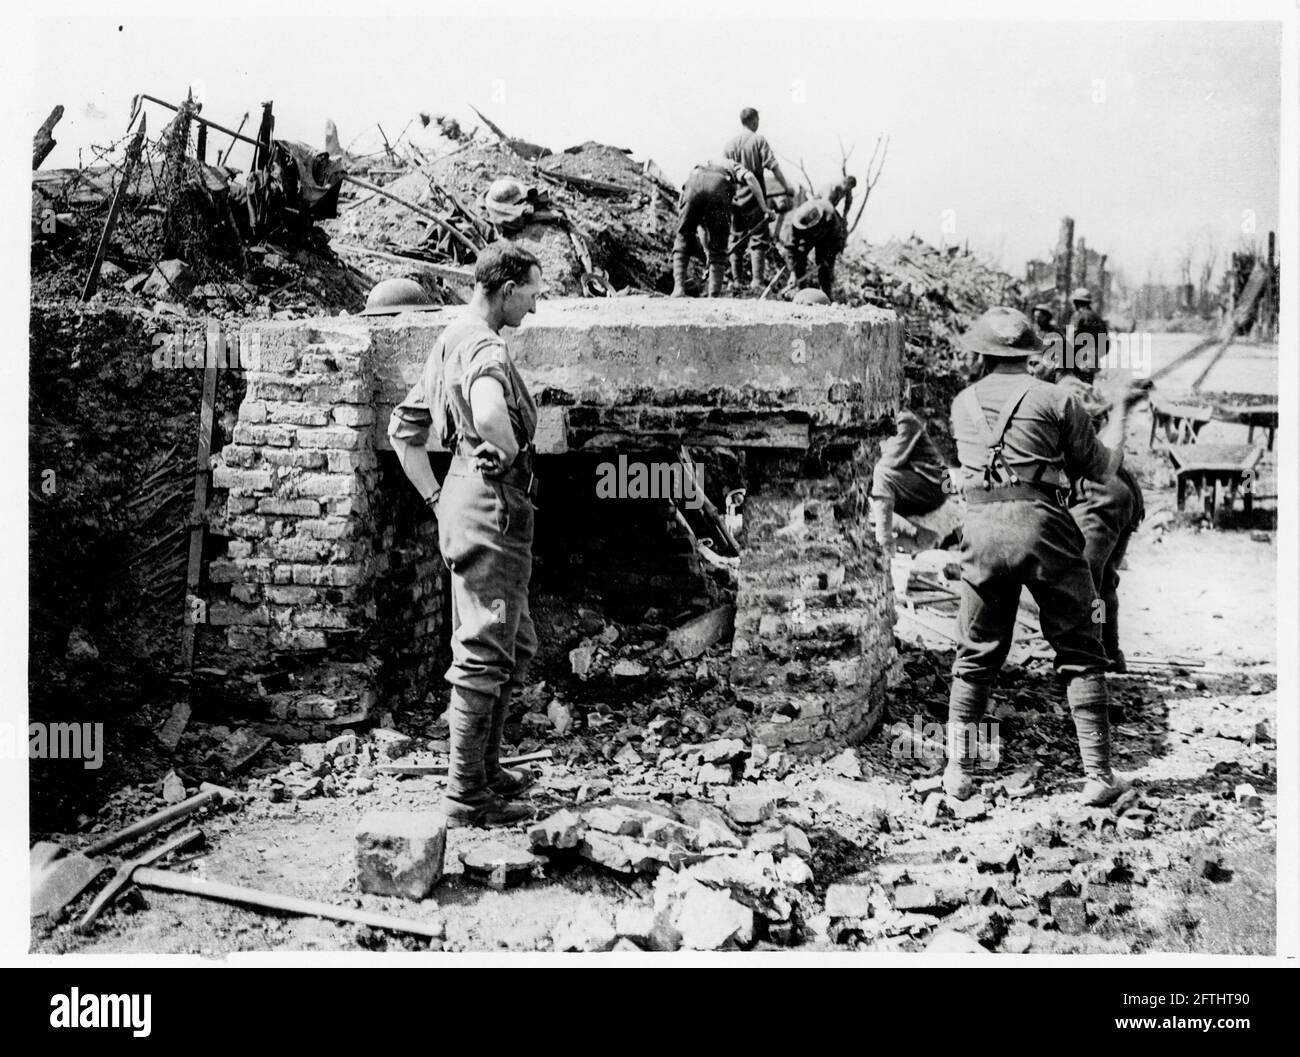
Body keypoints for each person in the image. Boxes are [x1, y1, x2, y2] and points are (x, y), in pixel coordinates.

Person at [944, 307, 1148, 808]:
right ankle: (1098, 775)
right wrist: (1122, 410)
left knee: (975, 654)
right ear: (1031, 353)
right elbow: (1102, 472)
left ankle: (958, 771)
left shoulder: (961, 404)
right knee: (1080, 650)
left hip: (981, 530)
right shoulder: (1056, 399)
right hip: (1043, 528)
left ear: (982, 354)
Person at [388, 242, 544, 827]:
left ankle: (486, 768)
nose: (534, 305)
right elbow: (485, 411)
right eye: (531, 292)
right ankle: (465, 795)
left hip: (461, 495)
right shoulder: (482, 344)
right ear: (505, 290)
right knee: (484, 650)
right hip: (490, 506)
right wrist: (505, 449)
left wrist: (435, 496)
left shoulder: (450, 336)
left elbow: (402, 432)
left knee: (512, 640)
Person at [1049, 351, 1145, 677]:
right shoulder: (1080, 391)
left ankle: (1090, 658)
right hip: (1120, 492)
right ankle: (1110, 652)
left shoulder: (1065, 392)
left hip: (1099, 493)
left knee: (1085, 581)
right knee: (1102, 583)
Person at [671, 159, 768, 298]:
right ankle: (713, 296)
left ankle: (678, 289)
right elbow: (750, 177)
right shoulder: (732, 164)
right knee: (719, 245)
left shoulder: (705, 163)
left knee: (683, 237)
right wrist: (764, 208)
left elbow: (702, 226)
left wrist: (706, 254)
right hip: (718, 186)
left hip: (692, 184)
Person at [870, 386, 949, 553]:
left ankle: (884, 543)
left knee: (881, 476)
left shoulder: (904, 419)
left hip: (937, 484)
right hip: (922, 480)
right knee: (870, 499)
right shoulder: (886, 421)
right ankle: (919, 533)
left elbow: (889, 463)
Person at [723, 108, 795, 291]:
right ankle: (756, 282)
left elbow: (725, 172)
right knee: (759, 237)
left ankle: (737, 281)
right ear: (754, 120)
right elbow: (774, 167)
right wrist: (786, 187)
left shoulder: (729, 145)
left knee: (737, 236)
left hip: (734, 195)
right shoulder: (758, 140)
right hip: (755, 194)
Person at [779, 197, 846, 299]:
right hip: (807, 236)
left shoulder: (830, 216)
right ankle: (801, 292)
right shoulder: (797, 220)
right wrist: (792, 272)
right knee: (799, 257)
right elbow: (790, 248)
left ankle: (826, 295)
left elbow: (837, 240)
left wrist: (828, 257)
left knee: (825, 267)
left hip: (826, 238)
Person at [1029, 303, 1064, 379]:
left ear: (1047, 317)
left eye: (1040, 317)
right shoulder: (1033, 331)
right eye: (1035, 317)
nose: (1037, 320)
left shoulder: (1054, 332)